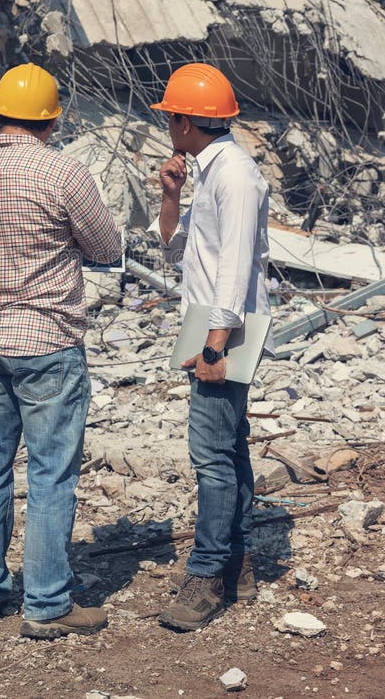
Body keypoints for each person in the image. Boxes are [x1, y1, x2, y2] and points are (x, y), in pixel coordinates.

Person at [0, 62, 122, 640]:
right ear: (52, 121)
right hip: (47, 341)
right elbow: (106, 247)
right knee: (51, 473)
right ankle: (46, 602)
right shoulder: (63, 173)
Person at [148, 63, 273, 632]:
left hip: (224, 333)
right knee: (230, 448)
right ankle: (238, 565)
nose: (168, 127)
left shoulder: (236, 177)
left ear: (184, 121)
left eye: (170, 118)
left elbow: (236, 267)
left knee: (211, 456)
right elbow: (176, 251)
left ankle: (206, 577)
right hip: (212, 328)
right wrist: (171, 197)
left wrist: (215, 346)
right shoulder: (209, 171)